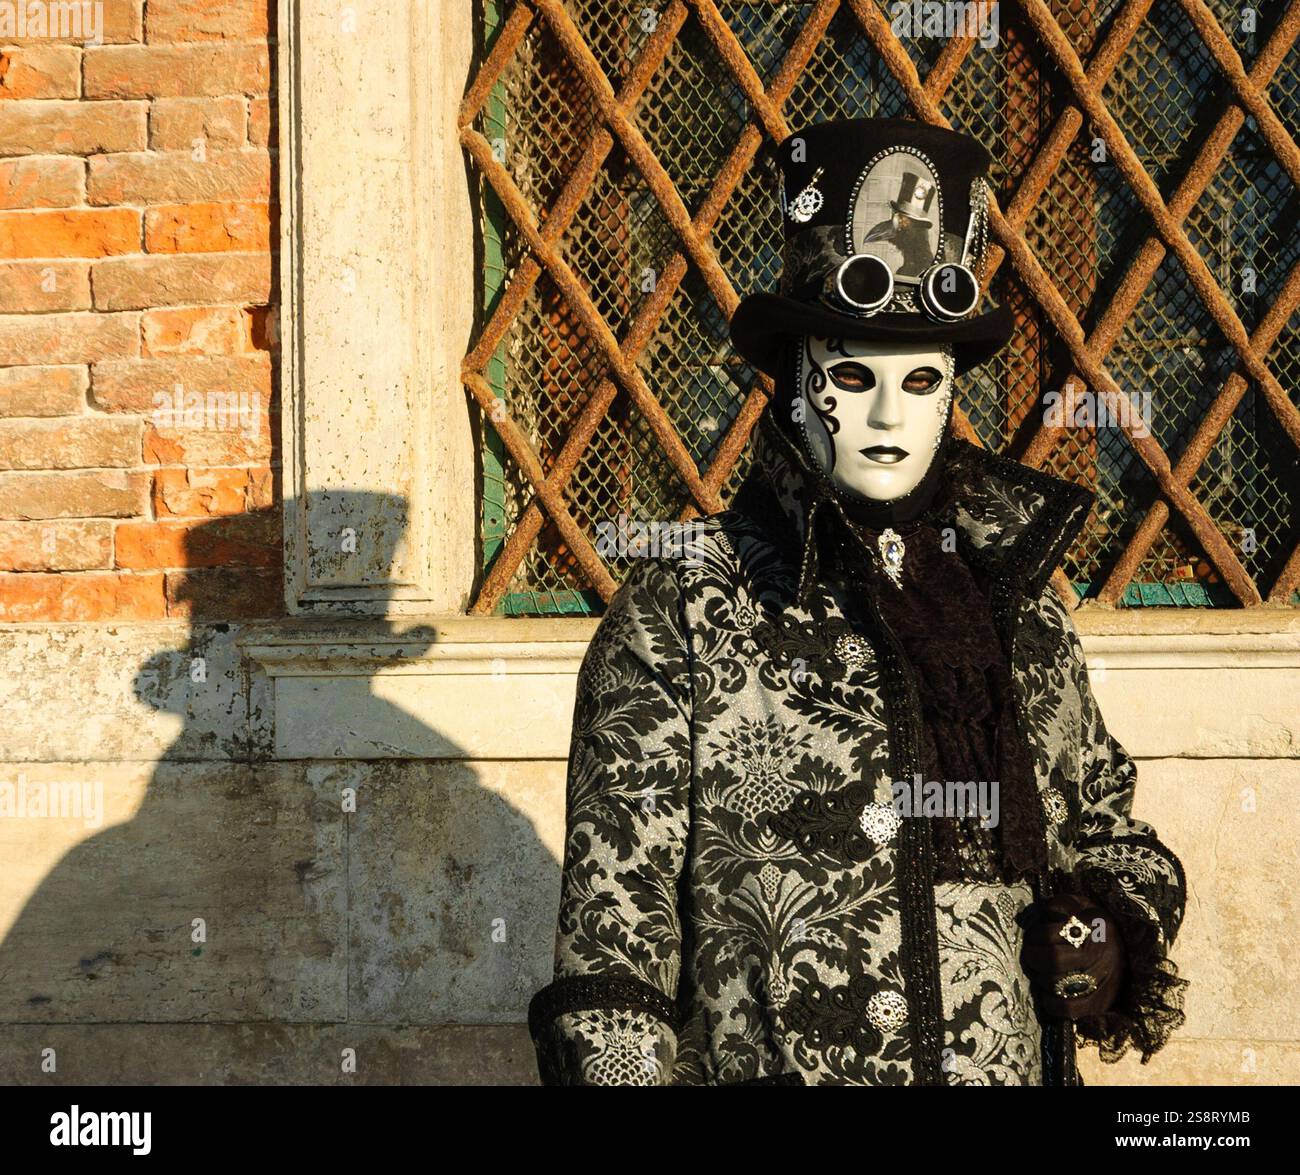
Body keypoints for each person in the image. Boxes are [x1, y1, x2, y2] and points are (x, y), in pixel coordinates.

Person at [527, 117, 1188, 1086]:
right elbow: (611, 970)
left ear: (949, 388)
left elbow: (1115, 837)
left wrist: (1106, 930)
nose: (886, 414)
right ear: (794, 378)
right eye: (851, 373)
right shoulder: (683, 612)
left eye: (919, 377)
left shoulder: (1013, 609)